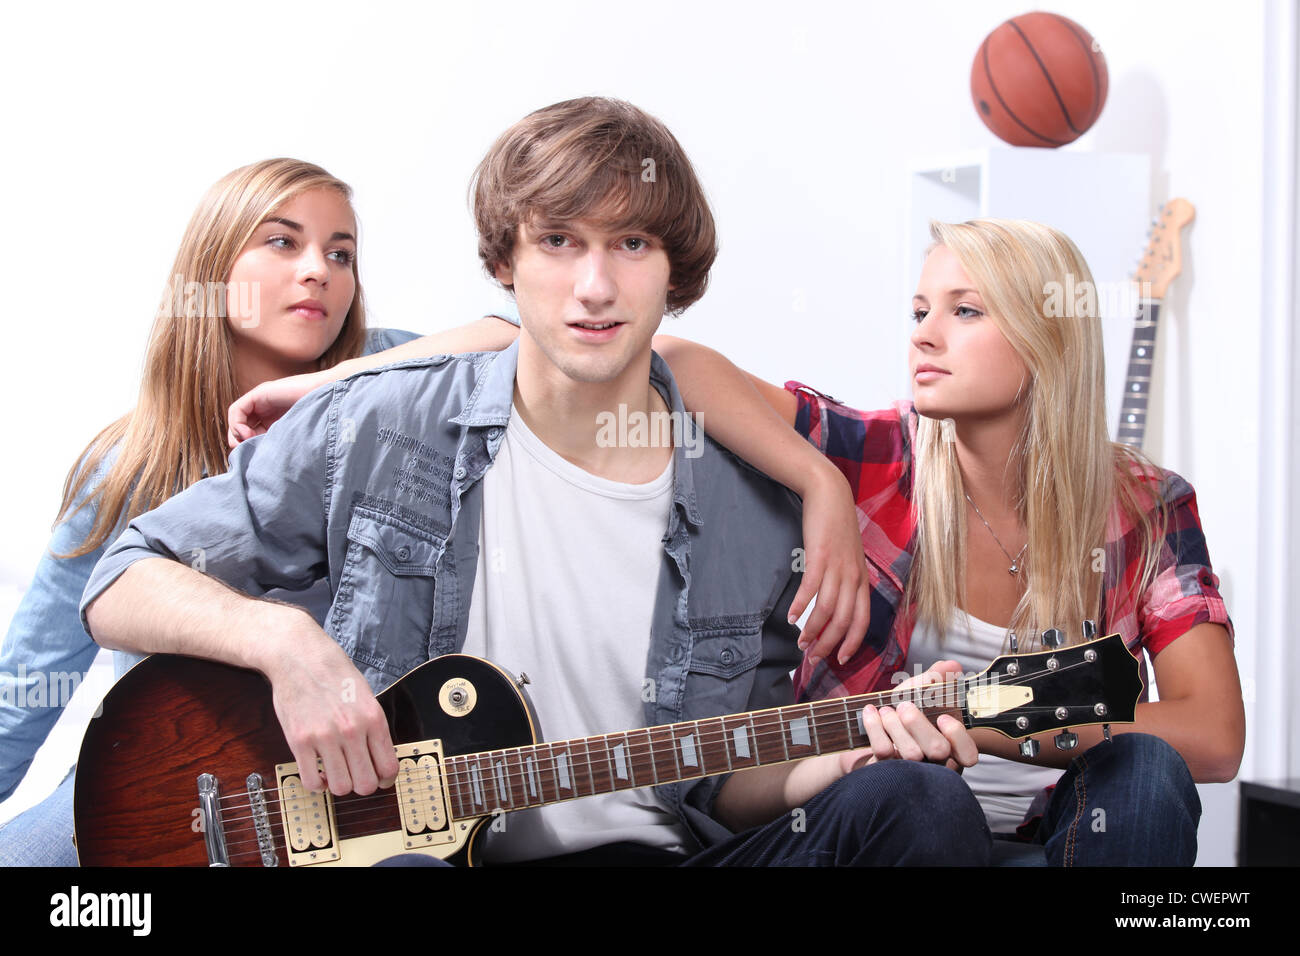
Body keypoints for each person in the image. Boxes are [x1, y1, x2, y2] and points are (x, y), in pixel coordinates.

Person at [82, 97, 990, 867]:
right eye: (558, 241)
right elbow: (122, 575)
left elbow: (725, 782)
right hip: (420, 857)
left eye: (631, 243)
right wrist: (284, 643)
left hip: (659, 855)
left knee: (919, 805)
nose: (594, 286)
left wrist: (839, 762)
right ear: (504, 262)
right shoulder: (380, 425)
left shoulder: (752, 509)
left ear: (674, 272)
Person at [246, 216, 1244, 866]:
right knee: (913, 797)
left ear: (1047, 336)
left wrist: (987, 727)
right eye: (918, 310)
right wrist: (331, 386)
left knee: (1147, 776)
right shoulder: (872, 456)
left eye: (965, 311)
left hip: (1057, 829)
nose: (923, 334)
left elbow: (1213, 734)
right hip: (875, 807)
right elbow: (645, 352)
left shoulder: (1147, 508)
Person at [0, 157, 511, 866]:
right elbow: (26, 688)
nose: (319, 271)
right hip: (173, 781)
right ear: (213, 270)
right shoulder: (127, 465)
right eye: (282, 242)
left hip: (356, 789)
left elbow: (528, 337)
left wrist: (341, 382)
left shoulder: (390, 382)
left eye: (341, 254)